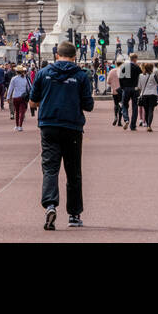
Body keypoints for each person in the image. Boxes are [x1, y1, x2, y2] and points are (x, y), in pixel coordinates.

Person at [30, 41, 94, 230]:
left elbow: (32, 102)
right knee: (73, 172)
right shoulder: (81, 76)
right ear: (75, 56)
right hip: (72, 127)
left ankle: (50, 204)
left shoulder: (42, 74)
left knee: (50, 168)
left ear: (57, 55)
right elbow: (88, 105)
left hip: (49, 126)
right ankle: (74, 215)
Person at [117, 53, 141, 130]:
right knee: (135, 107)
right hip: (135, 88)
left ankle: (126, 119)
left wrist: (122, 87)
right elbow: (140, 77)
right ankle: (133, 125)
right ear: (135, 59)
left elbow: (120, 78)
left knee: (124, 105)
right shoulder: (137, 67)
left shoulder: (124, 67)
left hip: (126, 88)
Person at [137, 62, 158, 131]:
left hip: (144, 94)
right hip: (152, 94)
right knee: (151, 110)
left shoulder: (140, 75)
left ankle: (147, 124)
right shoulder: (153, 75)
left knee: (146, 110)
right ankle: (149, 125)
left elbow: (139, 86)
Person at [9, 66, 31, 131]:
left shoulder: (14, 78)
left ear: (16, 72)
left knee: (17, 111)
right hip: (23, 97)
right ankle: (20, 126)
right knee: (22, 112)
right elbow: (29, 88)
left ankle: (16, 125)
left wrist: (8, 97)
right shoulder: (25, 79)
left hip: (15, 96)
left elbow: (10, 88)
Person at [107, 61, 123, 126]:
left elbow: (108, 81)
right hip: (121, 91)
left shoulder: (112, 71)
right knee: (121, 105)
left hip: (114, 90)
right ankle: (119, 121)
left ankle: (115, 116)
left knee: (116, 104)